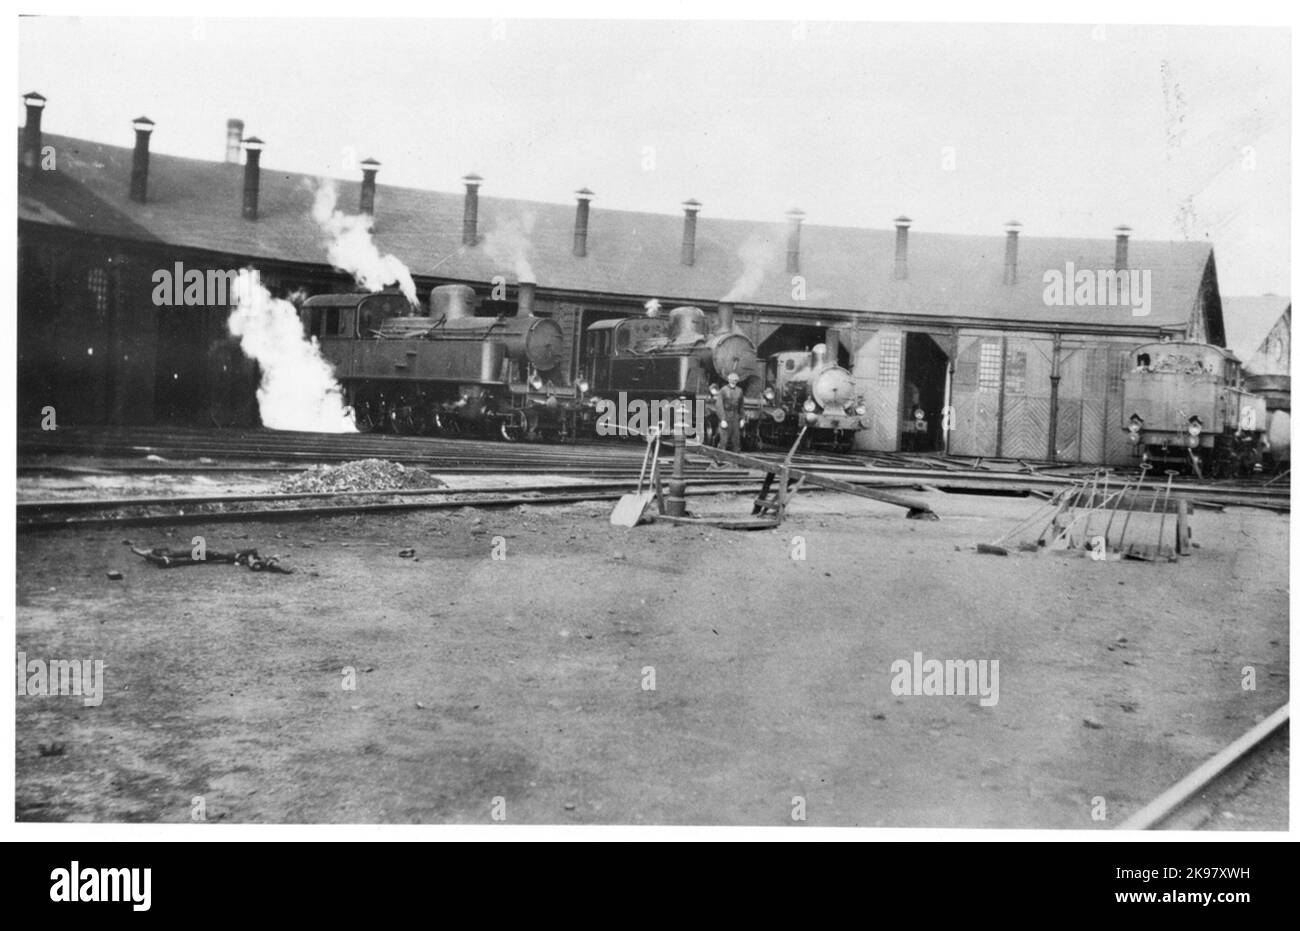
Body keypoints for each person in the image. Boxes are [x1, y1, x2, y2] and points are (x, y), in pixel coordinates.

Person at [715, 372, 746, 453]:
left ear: (737, 381)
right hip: (726, 415)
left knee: (736, 441)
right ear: (728, 380)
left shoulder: (739, 391)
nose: (733, 382)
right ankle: (720, 460)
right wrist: (722, 419)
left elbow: (741, 406)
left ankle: (735, 462)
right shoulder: (723, 390)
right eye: (732, 380)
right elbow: (719, 405)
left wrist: (742, 419)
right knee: (723, 440)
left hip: (735, 417)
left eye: (735, 380)